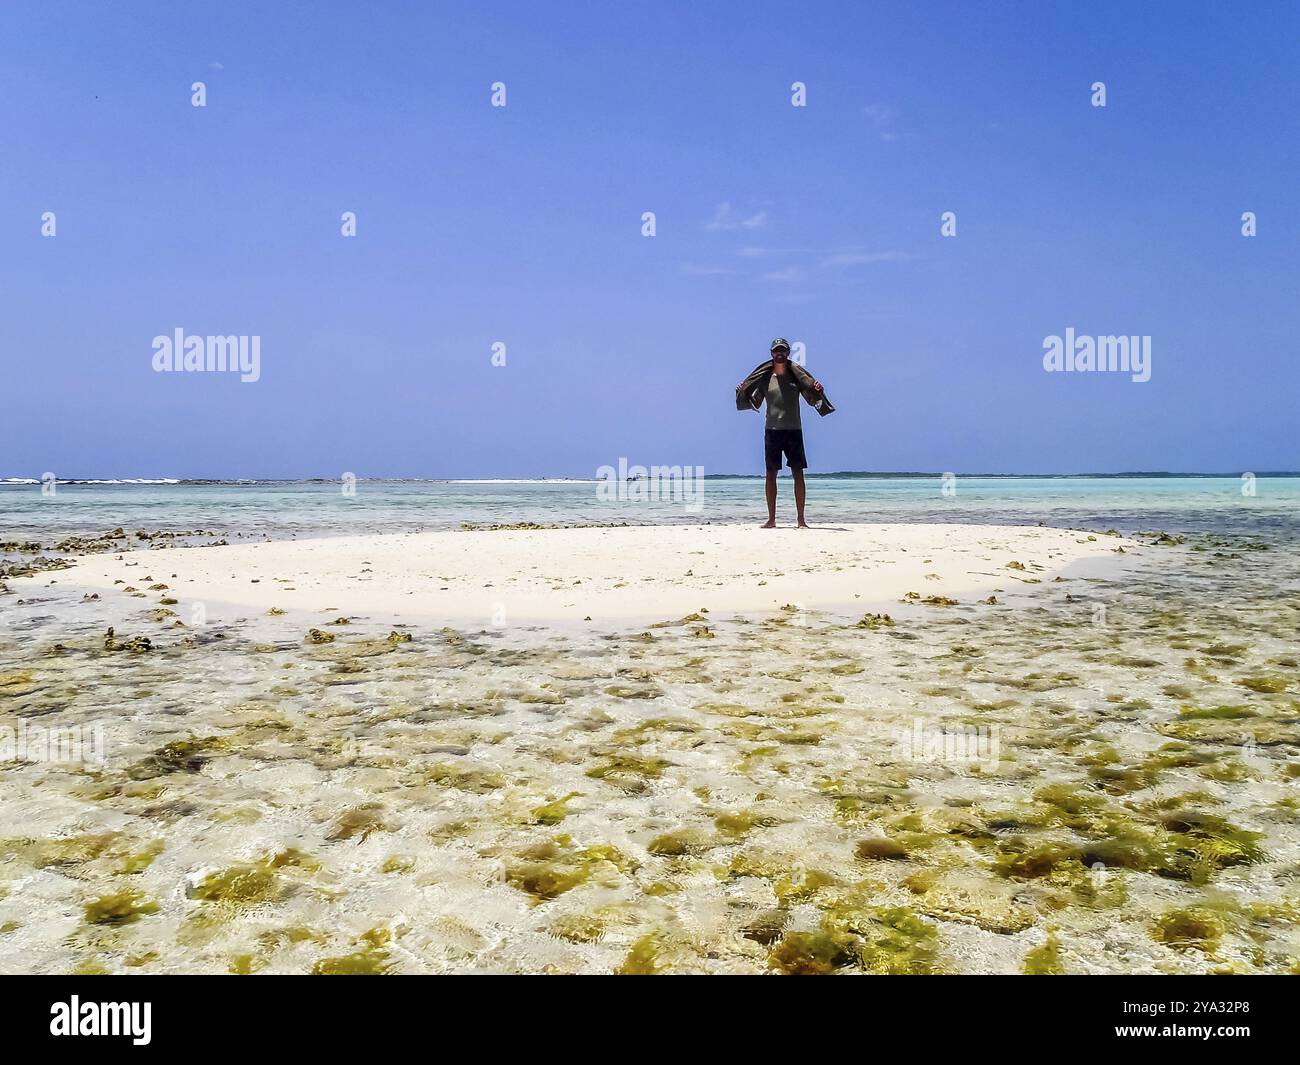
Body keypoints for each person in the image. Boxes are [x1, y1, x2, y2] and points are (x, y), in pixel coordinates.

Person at [734, 338, 834, 528]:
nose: (779, 353)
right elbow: (755, 402)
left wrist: (818, 390)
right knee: (771, 475)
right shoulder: (765, 379)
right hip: (772, 431)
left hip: (794, 430)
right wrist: (742, 391)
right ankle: (771, 519)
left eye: (783, 350)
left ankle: (801, 520)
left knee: (798, 474)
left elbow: (812, 400)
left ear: (788, 353)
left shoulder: (797, 377)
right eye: (776, 351)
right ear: (771, 353)